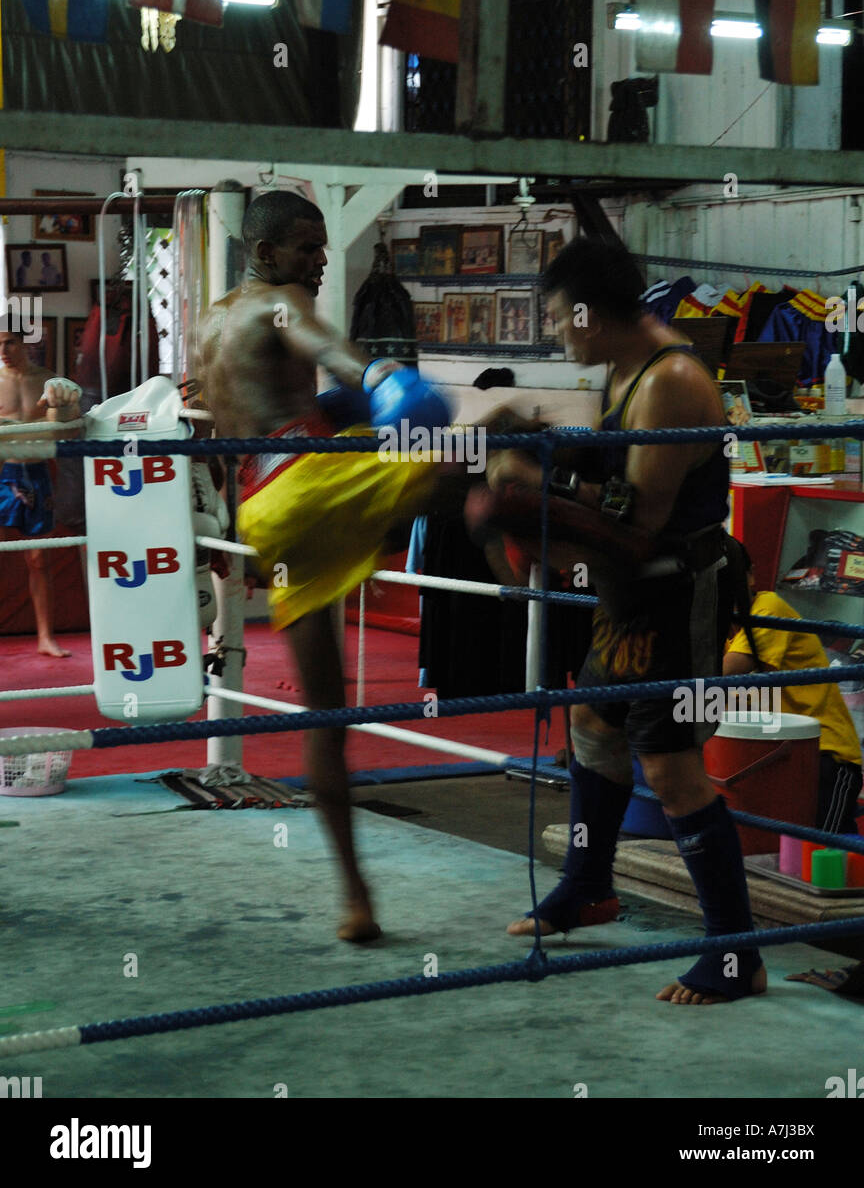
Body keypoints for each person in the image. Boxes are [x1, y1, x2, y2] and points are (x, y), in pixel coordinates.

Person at [479, 238, 765, 1004]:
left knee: (670, 769)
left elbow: (637, 520)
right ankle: (588, 886)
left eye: (557, 319)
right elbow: (615, 474)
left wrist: (538, 483)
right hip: (629, 593)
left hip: (678, 592)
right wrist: (537, 445)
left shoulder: (670, 381)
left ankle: (736, 952)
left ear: (590, 313)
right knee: (593, 728)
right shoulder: (622, 369)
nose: (555, 334)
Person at [196, 191, 458, 943]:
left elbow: (237, 416)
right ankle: (509, 550)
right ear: (267, 253)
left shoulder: (211, 321)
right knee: (480, 457)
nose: (320, 260)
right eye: (308, 247)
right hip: (306, 486)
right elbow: (334, 354)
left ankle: (356, 900)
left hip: (261, 507)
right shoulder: (281, 302)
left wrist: (335, 410)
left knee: (326, 716)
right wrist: (386, 379)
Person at [723, 540, 863, 834]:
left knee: (824, 845)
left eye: (726, 575)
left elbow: (727, 672)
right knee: (782, 847)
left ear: (751, 575)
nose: (720, 586)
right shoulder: (722, 626)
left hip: (824, 754)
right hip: (775, 752)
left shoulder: (767, 608)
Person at [0, 330, 82, 657]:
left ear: (24, 342)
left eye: (9, 342)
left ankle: (45, 637)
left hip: (36, 473)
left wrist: (61, 410)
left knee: (38, 559)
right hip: (3, 472)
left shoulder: (48, 382)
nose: (3, 350)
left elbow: (68, 431)